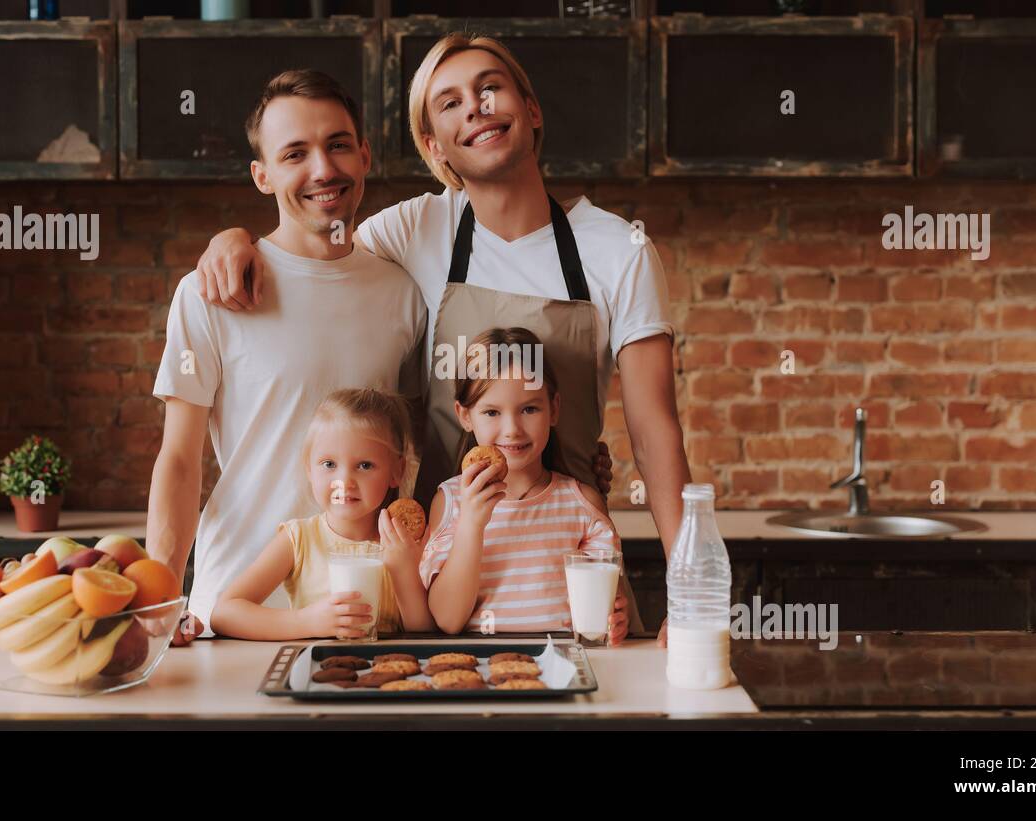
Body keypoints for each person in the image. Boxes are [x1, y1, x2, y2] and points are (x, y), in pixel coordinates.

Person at [195, 35, 691, 643]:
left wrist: (690, 587)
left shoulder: (620, 251)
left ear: (530, 109)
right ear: (434, 145)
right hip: (436, 592)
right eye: (450, 102)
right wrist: (235, 237)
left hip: (569, 582)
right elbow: (315, 242)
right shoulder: (419, 227)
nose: (476, 108)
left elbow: (654, 428)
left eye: (490, 88)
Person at [147, 70, 426, 644]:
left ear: (365, 154)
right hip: (232, 614)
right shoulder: (212, 292)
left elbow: (416, 446)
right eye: (295, 153)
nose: (323, 169)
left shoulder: (403, 293)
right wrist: (162, 600)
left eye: (338, 144)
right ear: (262, 175)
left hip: (364, 615)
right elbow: (179, 460)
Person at [420, 328, 628, 643]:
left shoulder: (582, 503)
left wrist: (615, 616)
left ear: (554, 409)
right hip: (478, 671)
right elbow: (448, 620)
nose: (512, 430)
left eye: (529, 409)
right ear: (464, 415)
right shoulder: (450, 500)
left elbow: (602, 612)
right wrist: (472, 524)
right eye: (491, 412)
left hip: (563, 667)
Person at [211, 389, 434, 640]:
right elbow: (224, 613)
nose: (344, 481)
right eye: (329, 464)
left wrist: (405, 573)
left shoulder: (407, 544)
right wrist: (304, 622)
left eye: (364, 465)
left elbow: (424, 634)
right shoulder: (298, 540)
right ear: (309, 469)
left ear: (397, 471)